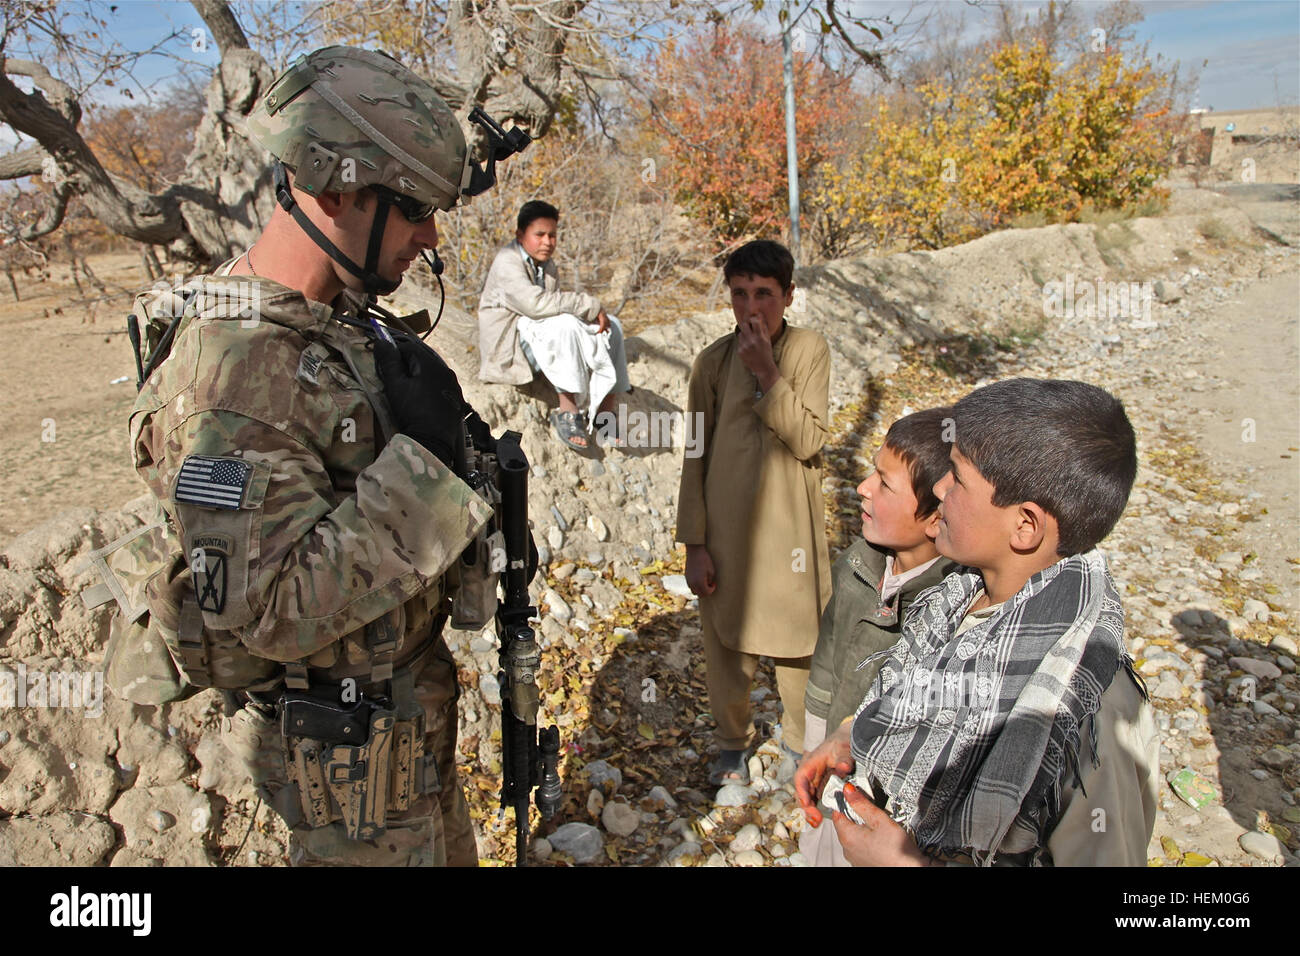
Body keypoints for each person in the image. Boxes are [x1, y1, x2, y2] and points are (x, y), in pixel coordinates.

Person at [122, 46, 516, 866]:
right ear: (334, 188)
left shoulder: (337, 320)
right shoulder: (231, 380)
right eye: (412, 208)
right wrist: (431, 478)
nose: (430, 235)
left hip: (406, 725)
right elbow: (266, 607)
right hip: (348, 766)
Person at [795, 378, 1159, 866]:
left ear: (1025, 525)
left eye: (959, 478)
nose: (940, 488)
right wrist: (850, 734)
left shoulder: (1086, 714)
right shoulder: (952, 601)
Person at [675, 239, 831, 786]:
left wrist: (767, 372)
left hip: (790, 533)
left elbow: (809, 440)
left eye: (764, 294)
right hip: (726, 532)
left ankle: (796, 742)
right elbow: (694, 453)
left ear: (788, 296)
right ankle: (731, 745)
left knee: (797, 647)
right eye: (740, 294)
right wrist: (694, 542)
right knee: (727, 644)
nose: (752, 307)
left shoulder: (808, 351)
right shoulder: (711, 363)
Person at [799, 406, 958, 866]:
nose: (863, 487)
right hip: (831, 741)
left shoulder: (949, 603)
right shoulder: (859, 561)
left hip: (883, 784)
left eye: (885, 483)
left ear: (935, 518)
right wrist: (817, 730)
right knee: (820, 844)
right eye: (872, 471)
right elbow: (829, 652)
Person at [476, 200, 631, 450]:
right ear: (520, 234)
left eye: (552, 235)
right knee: (566, 324)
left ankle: (605, 413)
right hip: (508, 350)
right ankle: (568, 411)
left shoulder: (546, 265)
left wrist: (591, 315)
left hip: (535, 337)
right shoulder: (508, 261)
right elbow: (537, 306)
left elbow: (552, 307)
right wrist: (587, 306)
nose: (548, 242)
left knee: (612, 325)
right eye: (540, 235)